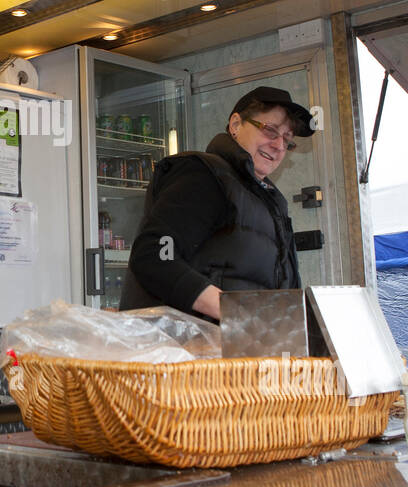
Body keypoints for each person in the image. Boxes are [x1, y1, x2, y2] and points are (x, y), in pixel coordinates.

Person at [118, 86, 313, 319]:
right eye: (270, 130)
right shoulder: (204, 176)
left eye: (288, 141)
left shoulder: (269, 200)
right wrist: (233, 312)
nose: (279, 146)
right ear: (235, 125)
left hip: (244, 349)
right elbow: (156, 254)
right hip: (190, 348)